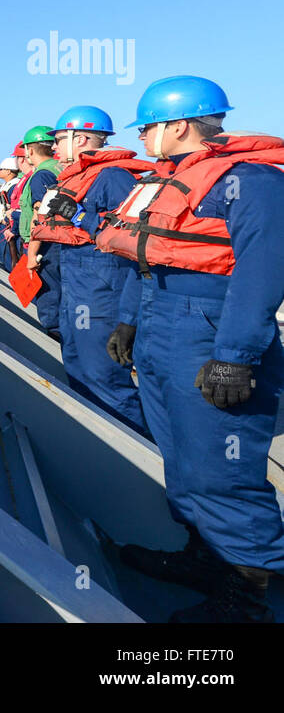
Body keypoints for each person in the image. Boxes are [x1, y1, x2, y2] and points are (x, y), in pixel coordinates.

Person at [95, 75, 284, 622]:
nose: (145, 138)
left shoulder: (254, 182)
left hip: (211, 327)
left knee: (218, 468)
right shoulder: (168, 183)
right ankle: (206, 558)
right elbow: (150, 255)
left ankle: (247, 596)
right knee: (180, 458)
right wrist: (129, 321)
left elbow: (262, 275)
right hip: (161, 322)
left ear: (177, 125)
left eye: (149, 127)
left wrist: (236, 357)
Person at [29, 106, 151, 434]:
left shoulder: (113, 177)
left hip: (102, 292)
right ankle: (103, 442)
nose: (53, 148)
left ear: (79, 138)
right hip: (77, 286)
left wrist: (79, 215)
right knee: (79, 372)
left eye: (58, 140)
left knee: (106, 381)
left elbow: (133, 238)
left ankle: (141, 456)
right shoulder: (79, 176)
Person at [18, 126, 62, 339]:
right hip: (63, 242)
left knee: (49, 297)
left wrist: (32, 253)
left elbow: (41, 216)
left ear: (29, 150)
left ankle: (57, 343)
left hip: (46, 246)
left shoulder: (41, 175)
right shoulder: (61, 167)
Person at [0, 155, 21, 271]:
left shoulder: (13, 187)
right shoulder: (8, 185)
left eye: (1, 169)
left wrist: (9, 226)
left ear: (9, 171)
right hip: (4, 225)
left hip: (7, 227)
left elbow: (15, 208)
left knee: (9, 259)